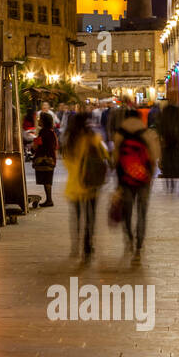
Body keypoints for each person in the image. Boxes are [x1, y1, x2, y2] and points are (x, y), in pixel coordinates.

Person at [112, 102, 161, 260]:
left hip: (125, 178)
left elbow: (115, 158)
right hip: (144, 178)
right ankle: (140, 242)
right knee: (142, 210)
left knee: (128, 209)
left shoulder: (119, 134)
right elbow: (154, 157)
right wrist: (149, 175)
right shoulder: (147, 133)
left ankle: (129, 238)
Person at [62, 110, 108, 260]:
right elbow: (105, 153)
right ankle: (88, 246)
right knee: (90, 216)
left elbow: (66, 161)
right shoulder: (92, 137)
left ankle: (76, 245)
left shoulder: (69, 139)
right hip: (90, 183)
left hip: (75, 184)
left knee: (76, 216)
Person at [157, 101, 179, 191]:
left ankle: (168, 183)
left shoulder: (163, 116)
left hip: (166, 143)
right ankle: (174, 181)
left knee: (166, 160)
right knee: (175, 158)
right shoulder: (177, 116)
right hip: (175, 143)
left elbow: (160, 129)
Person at [31, 110, 58, 207]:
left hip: (45, 159)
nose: (38, 120)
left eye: (40, 119)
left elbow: (42, 145)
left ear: (44, 121)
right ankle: (49, 199)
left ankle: (49, 200)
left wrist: (35, 148)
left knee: (47, 180)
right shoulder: (49, 131)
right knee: (47, 180)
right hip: (49, 158)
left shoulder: (45, 132)